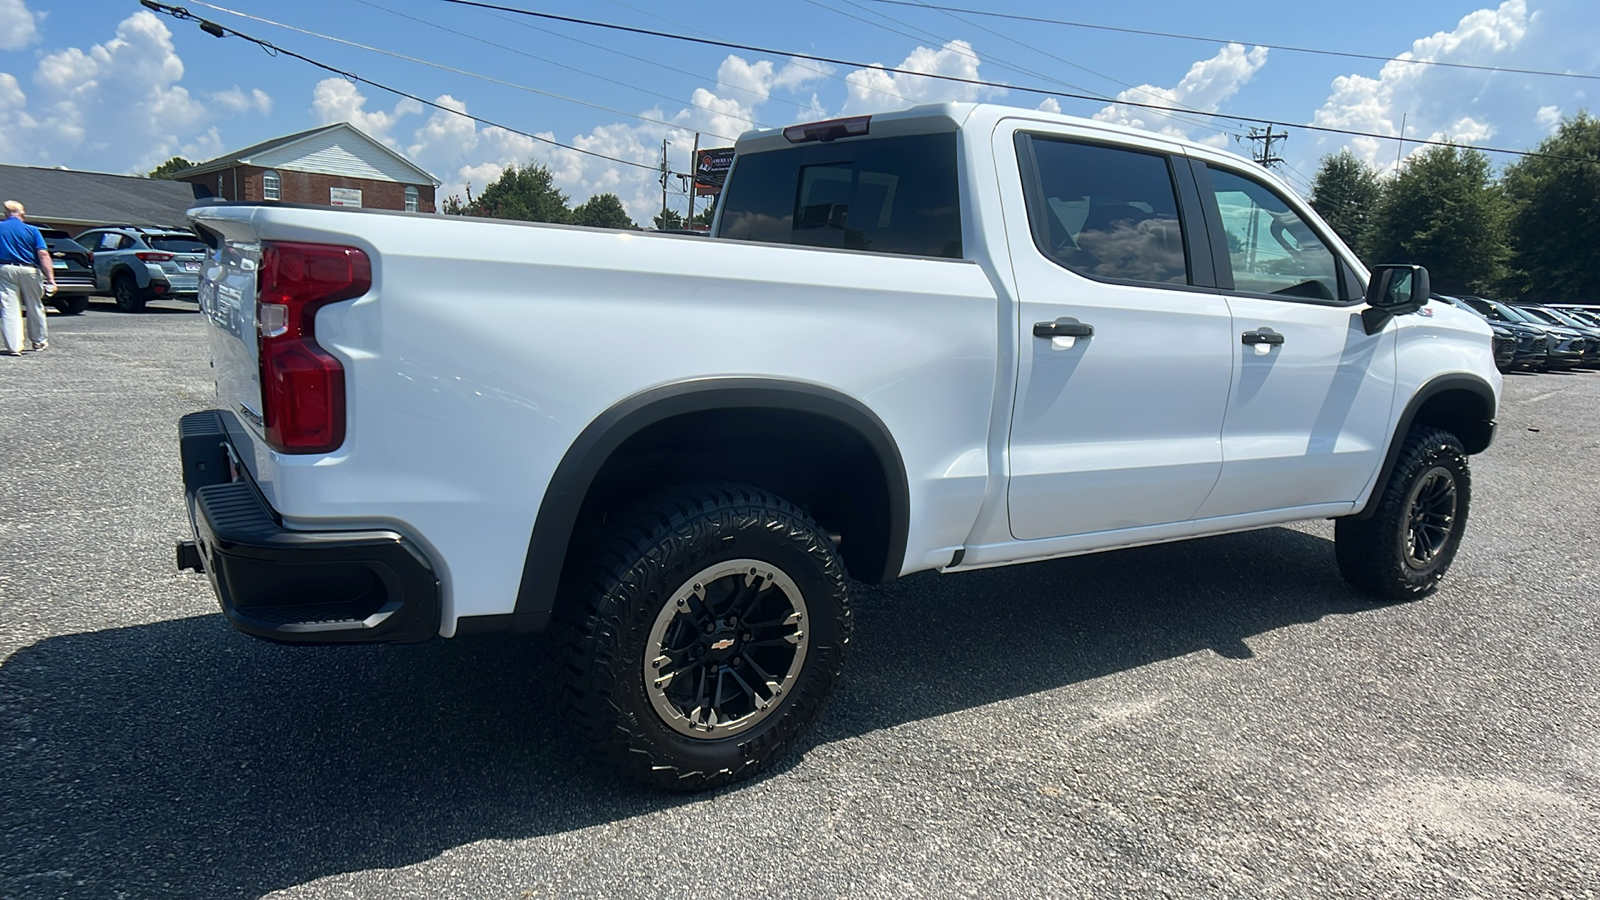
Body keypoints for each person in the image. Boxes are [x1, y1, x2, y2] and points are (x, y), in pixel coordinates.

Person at [0, 199, 57, 356]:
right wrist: (50, 279)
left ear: (5, 214)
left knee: (9, 308)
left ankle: (14, 346)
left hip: (4, 269)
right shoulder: (32, 230)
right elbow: (43, 254)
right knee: (34, 305)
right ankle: (38, 340)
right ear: (22, 214)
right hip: (30, 269)